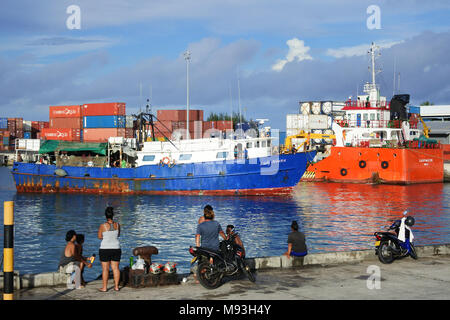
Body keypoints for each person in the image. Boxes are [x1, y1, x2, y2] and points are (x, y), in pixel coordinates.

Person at [98, 207, 121, 292]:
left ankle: (104, 288)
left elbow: (99, 236)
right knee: (116, 268)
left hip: (105, 249)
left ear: (105, 215)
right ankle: (116, 287)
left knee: (105, 269)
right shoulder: (118, 225)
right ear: (113, 215)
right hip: (116, 248)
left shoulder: (102, 226)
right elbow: (118, 235)